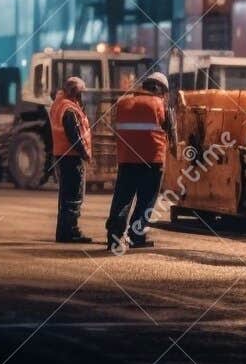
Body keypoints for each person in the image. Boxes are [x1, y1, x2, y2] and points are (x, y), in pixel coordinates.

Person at [106, 71, 173, 251]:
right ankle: (136, 237)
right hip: (152, 161)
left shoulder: (123, 102)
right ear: (158, 89)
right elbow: (168, 128)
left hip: (127, 159)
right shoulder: (158, 104)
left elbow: (116, 128)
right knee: (146, 201)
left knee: (122, 199)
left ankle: (113, 237)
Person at [49, 75, 93, 243]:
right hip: (72, 157)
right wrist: (85, 153)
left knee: (65, 196)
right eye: (82, 93)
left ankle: (63, 231)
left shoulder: (59, 104)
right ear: (76, 93)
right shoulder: (69, 109)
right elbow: (75, 136)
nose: (83, 96)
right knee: (74, 195)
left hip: (61, 154)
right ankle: (70, 231)